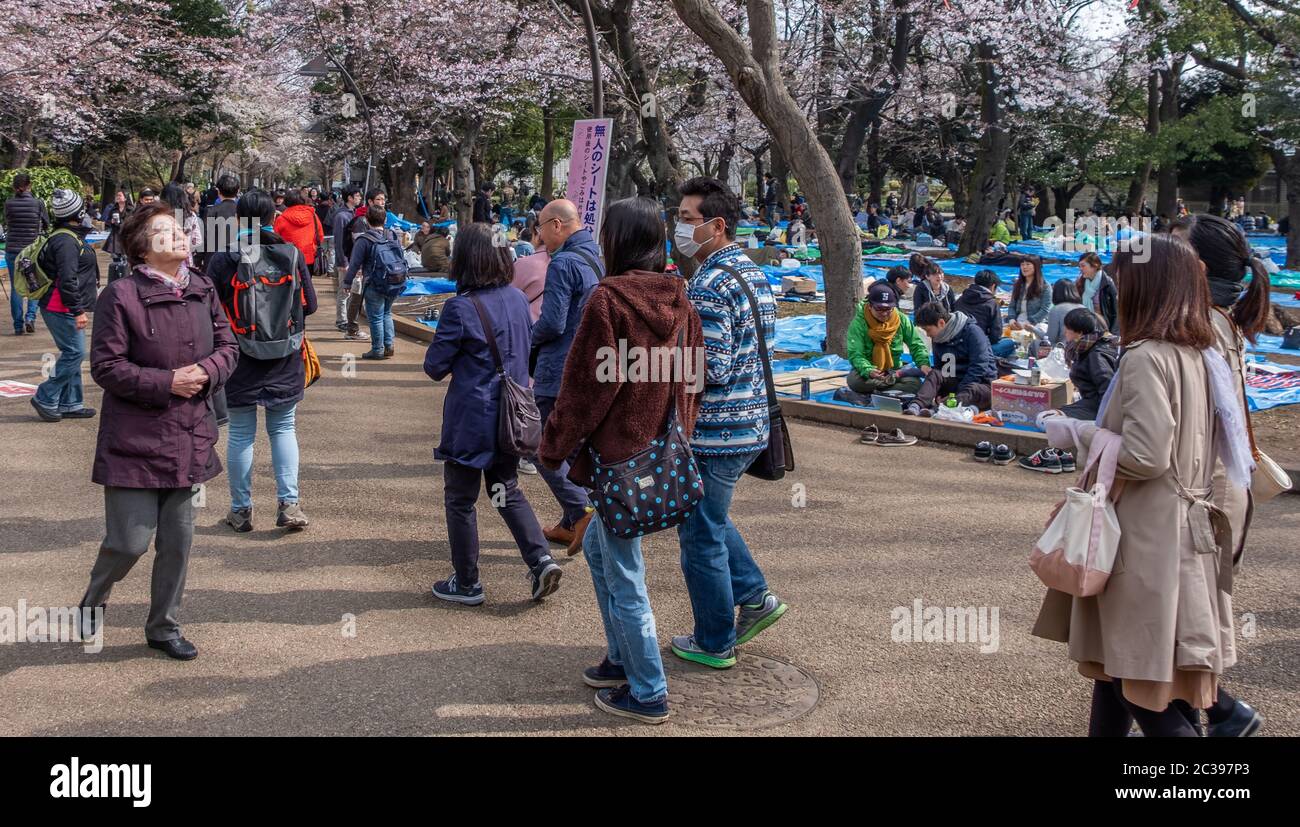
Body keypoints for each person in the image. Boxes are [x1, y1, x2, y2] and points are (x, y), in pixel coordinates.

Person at [1034, 233, 1246, 737]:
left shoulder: (1148, 356)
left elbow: (1148, 455)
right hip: (1183, 531)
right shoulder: (1197, 353)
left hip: (1148, 537)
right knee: (1121, 672)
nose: (1115, 285)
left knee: (1140, 682)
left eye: (1123, 276)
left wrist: (1082, 433)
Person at [538, 197, 704, 724]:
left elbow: (586, 390)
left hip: (617, 460)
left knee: (626, 574)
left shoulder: (608, 301)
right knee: (600, 555)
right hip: (657, 454)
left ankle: (648, 689)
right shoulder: (681, 298)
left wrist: (553, 446)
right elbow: (694, 380)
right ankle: (620, 659)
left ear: (617, 241)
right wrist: (673, 432)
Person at [80, 202, 238, 661]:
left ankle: (164, 626)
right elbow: (107, 367)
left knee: (178, 541)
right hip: (134, 439)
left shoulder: (203, 288)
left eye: (178, 229)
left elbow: (229, 346)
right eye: (163, 231)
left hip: (189, 433)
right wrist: (166, 382)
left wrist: (206, 372)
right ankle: (94, 598)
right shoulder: (121, 296)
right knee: (128, 541)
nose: (178, 235)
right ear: (141, 249)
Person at [671, 176, 788, 669]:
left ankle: (715, 640)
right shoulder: (751, 272)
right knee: (710, 520)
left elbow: (709, 368)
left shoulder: (710, 285)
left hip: (718, 432)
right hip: (750, 424)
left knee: (699, 537)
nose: (677, 227)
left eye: (687, 219)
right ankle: (756, 597)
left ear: (716, 226)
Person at [1167, 214, 1271, 736]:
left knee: (1178, 636)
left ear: (1200, 268)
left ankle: (1224, 713)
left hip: (1204, 495)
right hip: (1220, 490)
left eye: (1174, 249)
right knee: (1180, 633)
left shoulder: (1197, 330)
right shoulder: (1219, 321)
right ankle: (1218, 713)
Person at [422, 222, 562, 606]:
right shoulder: (517, 298)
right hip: (513, 417)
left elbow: (434, 367)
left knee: (461, 500)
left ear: (467, 260)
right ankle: (540, 559)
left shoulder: (460, 308)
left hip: (472, 420)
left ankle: (467, 582)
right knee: (504, 491)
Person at [205, 190, 317, 532]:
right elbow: (309, 305)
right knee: (283, 429)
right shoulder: (291, 253)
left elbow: (208, 312)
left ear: (239, 218)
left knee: (240, 433)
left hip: (240, 356)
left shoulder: (225, 259)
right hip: (285, 355)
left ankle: (240, 511)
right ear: (273, 217)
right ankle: (289, 505)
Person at [530, 198, 604, 551]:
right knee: (575, 448)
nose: (540, 238)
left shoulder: (563, 262)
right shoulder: (597, 257)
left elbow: (552, 322)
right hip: (590, 366)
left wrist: (525, 339)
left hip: (557, 368)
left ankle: (580, 510)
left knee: (541, 447)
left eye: (542, 229)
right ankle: (571, 521)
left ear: (556, 225)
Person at [30, 190, 99, 422]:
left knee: (73, 353)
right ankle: (45, 395)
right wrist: (77, 310)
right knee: (75, 353)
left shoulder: (67, 237)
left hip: (62, 305)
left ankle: (71, 402)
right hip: (61, 307)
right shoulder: (66, 241)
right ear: (76, 213)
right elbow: (67, 279)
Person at [906, 302, 997, 415]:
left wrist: (956, 394)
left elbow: (979, 367)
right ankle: (916, 405)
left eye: (928, 330)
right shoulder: (938, 338)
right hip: (955, 383)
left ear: (941, 323)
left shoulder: (973, 332)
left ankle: (937, 410)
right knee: (935, 374)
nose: (927, 335)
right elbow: (941, 370)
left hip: (981, 386)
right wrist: (941, 393)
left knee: (971, 389)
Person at [845, 280, 930, 397]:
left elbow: (915, 344)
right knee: (854, 381)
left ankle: (879, 391)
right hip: (871, 371)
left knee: (915, 384)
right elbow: (856, 354)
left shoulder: (901, 319)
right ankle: (890, 391)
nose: (884, 313)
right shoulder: (858, 324)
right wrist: (869, 370)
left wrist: (923, 363)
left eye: (888, 309)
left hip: (894, 370)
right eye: (879, 309)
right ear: (870, 306)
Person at [345, 206, 403, 360]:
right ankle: (389, 345)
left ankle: (377, 349)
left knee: (376, 317)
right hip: (394, 281)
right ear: (385, 219)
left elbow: (354, 264)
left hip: (374, 282)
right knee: (387, 313)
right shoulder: (392, 235)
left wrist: (346, 283)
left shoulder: (364, 240)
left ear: (366, 220)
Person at [4, 172, 49, 334]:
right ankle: (30, 318)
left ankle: (18, 325)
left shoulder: (9, 203)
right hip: (32, 250)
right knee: (33, 284)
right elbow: (46, 224)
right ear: (29, 185)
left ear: (15, 187)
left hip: (13, 249)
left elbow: (7, 221)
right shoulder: (38, 203)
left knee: (16, 287)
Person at [955, 269, 1012, 357]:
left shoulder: (960, 299)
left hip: (956, 347)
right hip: (977, 350)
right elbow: (996, 335)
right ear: (993, 286)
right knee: (1010, 343)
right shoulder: (991, 303)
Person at [332, 185, 364, 336]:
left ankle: (348, 320)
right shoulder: (341, 216)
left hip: (354, 259)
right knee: (344, 291)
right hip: (346, 260)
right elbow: (338, 242)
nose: (359, 198)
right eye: (357, 196)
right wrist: (343, 262)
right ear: (350, 198)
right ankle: (342, 320)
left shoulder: (353, 214)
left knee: (353, 291)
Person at [273, 189, 326, 270]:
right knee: (307, 281)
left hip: (288, 257)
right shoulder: (313, 216)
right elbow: (320, 235)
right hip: (309, 256)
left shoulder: (281, 218)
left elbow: (275, 239)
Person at [1075, 251, 1119, 335]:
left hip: (1104, 326)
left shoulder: (1107, 283)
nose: (1080, 269)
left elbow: (1115, 310)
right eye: (1079, 266)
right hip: (1085, 324)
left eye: (1083, 266)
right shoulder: (1080, 282)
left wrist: (1113, 333)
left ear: (1095, 266)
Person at [511, 226, 548, 323]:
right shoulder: (569, 262)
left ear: (537, 234)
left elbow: (508, 297)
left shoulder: (523, 264)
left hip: (526, 325)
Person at [1008, 255, 1051, 333]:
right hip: (1017, 322)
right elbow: (1011, 306)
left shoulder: (1045, 286)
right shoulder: (1018, 285)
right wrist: (1011, 319)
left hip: (1036, 323)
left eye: (1028, 264)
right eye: (1022, 264)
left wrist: (1028, 323)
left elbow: (1045, 310)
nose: (1024, 267)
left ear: (1036, 266)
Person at [1044, 279, 1084, 347]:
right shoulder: (1084, 308)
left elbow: (1050, 339)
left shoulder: (1056, 310)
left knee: (1034, 344)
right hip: (1083, 348)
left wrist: (1034, 330)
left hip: (1064, 349)